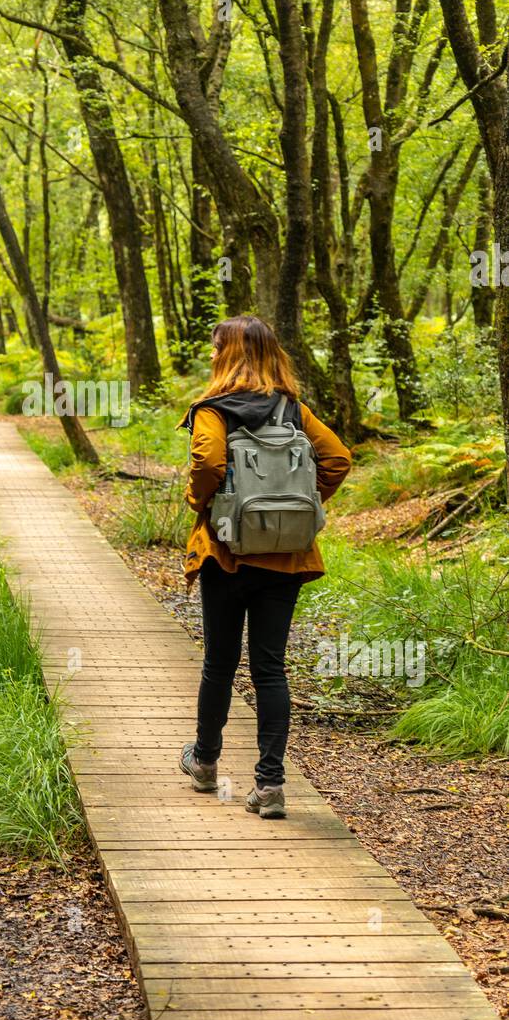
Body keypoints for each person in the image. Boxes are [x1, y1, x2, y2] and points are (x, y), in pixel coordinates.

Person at [178, 315, 352, 818]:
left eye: (215, 347)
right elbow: (337, 458)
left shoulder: (213, 409)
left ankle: (206, 763)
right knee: (270, 667)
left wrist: (199, 501)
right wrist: (296, 507)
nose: (211, 354)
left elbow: (209, 465)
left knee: (220, 661)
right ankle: (271, 786)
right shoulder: (292, 407)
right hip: (286, 556)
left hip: (227, 552)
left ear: (227, 353)